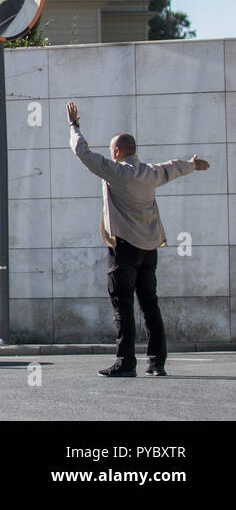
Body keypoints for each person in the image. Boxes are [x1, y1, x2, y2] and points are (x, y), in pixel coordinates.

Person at [66, 102, 207, 378]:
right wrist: (193, 165)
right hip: (149, 249)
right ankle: (156, 362)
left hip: (124, 249)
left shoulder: (117, 172)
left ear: (117, 152)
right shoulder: (150, 172)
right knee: (149, 303)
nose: (110, 154)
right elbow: (174, 167)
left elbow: (82, 152)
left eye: (111, 151)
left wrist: (74, 126)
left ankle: (125, 361)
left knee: (123, 305)